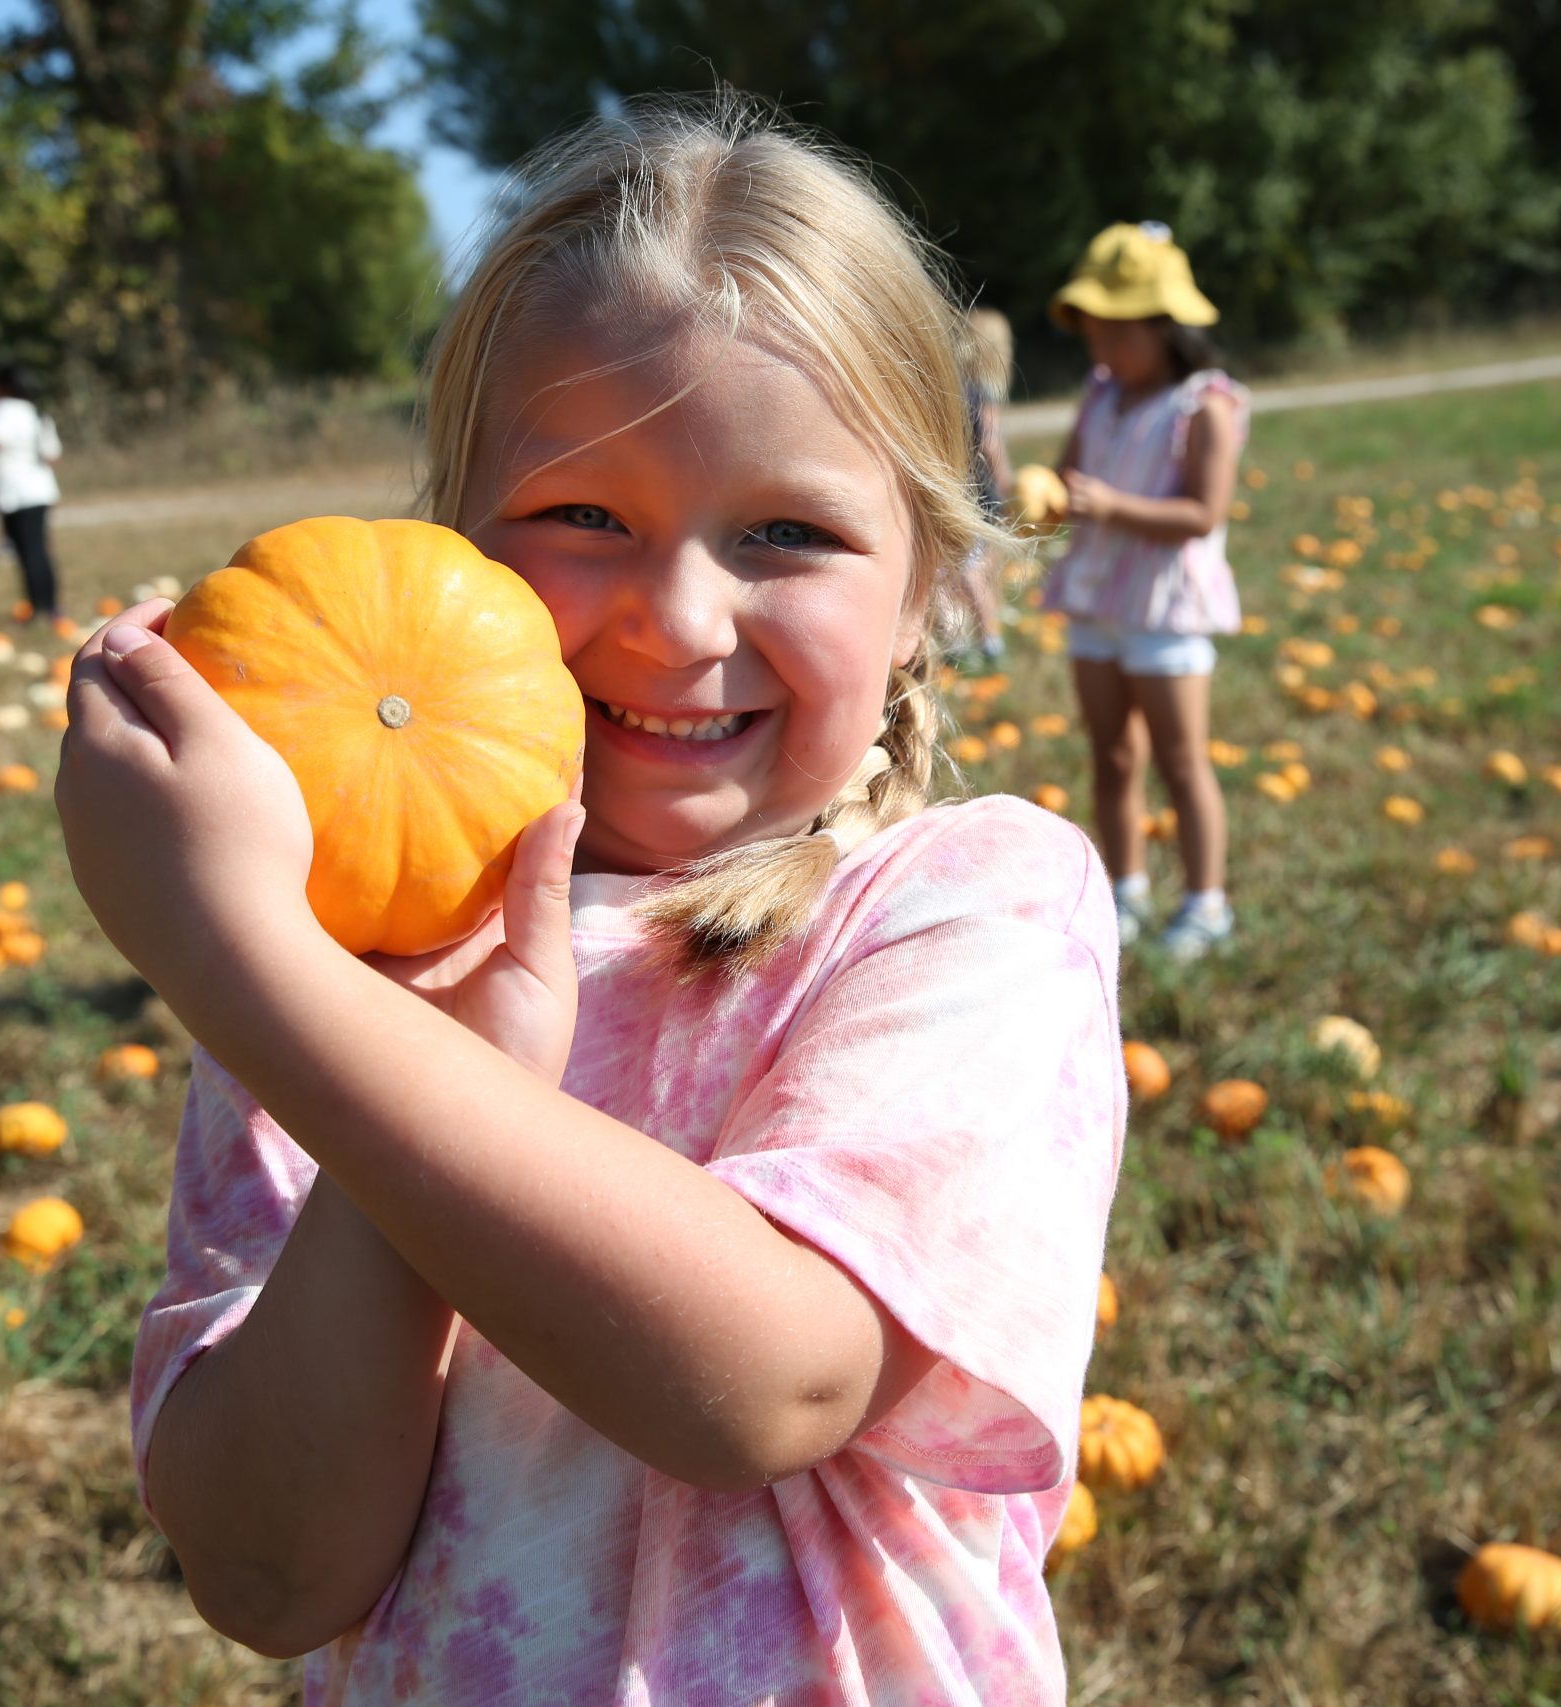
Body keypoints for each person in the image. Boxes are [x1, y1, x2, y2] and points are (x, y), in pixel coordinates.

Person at [59, 97, 1125, 1706]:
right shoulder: (338, 970)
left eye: (788, 530)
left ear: (923, 595)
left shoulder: (965, 901)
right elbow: (271, 1572)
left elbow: (771, 1379)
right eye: (581, 516)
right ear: (448, 546)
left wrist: (249, 966)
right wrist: (334, 1002)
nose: (679, 616)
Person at [1040, 221, 1247, 958]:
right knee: (1112, 756)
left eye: (1118, 337)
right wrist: (1048, 497)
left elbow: (1202, 514)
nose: (1104, 352)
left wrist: (1111, 506)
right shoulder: (1100, 395)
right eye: (1095, 337)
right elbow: (1069, 475)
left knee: (1181, 759)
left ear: (1165, 327)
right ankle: (1125, 890)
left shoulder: (1205, 406)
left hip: (1165, 609)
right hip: (1097, 596)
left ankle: (1205, 903)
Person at [0, 364, 59, 621]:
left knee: (27, 552)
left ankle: (39, 609)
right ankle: (50, 606)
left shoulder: (5, 409)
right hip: (40, 489)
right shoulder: (36, 410)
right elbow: (52, 455)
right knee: (39, 550)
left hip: (16, 492)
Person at [958, 306, 1017, 661]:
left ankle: (978, 638)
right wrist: (1006, 483)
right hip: (983, 491)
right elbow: (991, 442)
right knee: (979, 564)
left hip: (969, 489)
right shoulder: (982, 392)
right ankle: (986, 637)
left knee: (969, 565)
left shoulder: (961, 389)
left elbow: (984, 443)